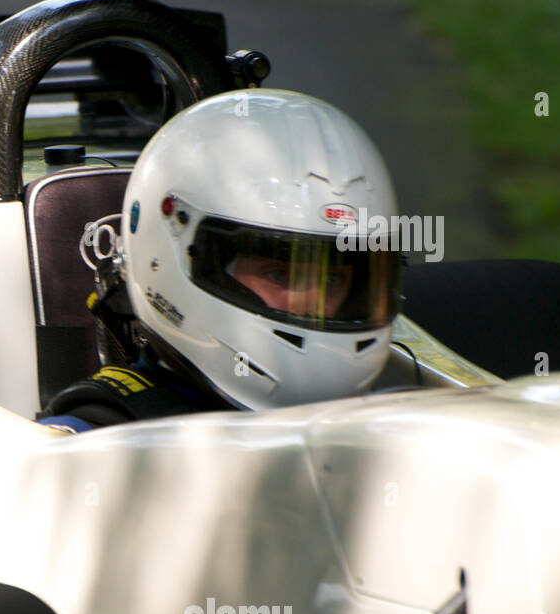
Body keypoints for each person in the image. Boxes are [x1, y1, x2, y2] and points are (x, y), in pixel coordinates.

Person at [38, 89, 402, 433]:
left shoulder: (403, 429)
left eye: (334, 280)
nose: (311, 301)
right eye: (278, 274)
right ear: (163, 260)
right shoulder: (85, 448)